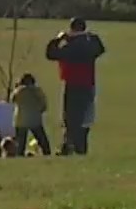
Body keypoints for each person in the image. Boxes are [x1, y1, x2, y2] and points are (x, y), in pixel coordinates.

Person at [45, 18, 105, 154]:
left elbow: (51, 54)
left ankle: (69, 147)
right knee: (85, 119)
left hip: (72, 85)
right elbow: (100, 48)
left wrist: (58, 39)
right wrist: (91, 36)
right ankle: (81, 147)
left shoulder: (69, 47)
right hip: (89, 84)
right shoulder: (89, 45)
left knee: (71, 118)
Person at [11, 74, 52, 157]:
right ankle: (47, 154)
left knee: (20, 143)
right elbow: (44, 105)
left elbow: (13, 99)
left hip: (20, 119)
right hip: (35, 119)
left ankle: (19, 156)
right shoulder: (37, 90)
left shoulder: (19, 91)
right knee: (42, 140)